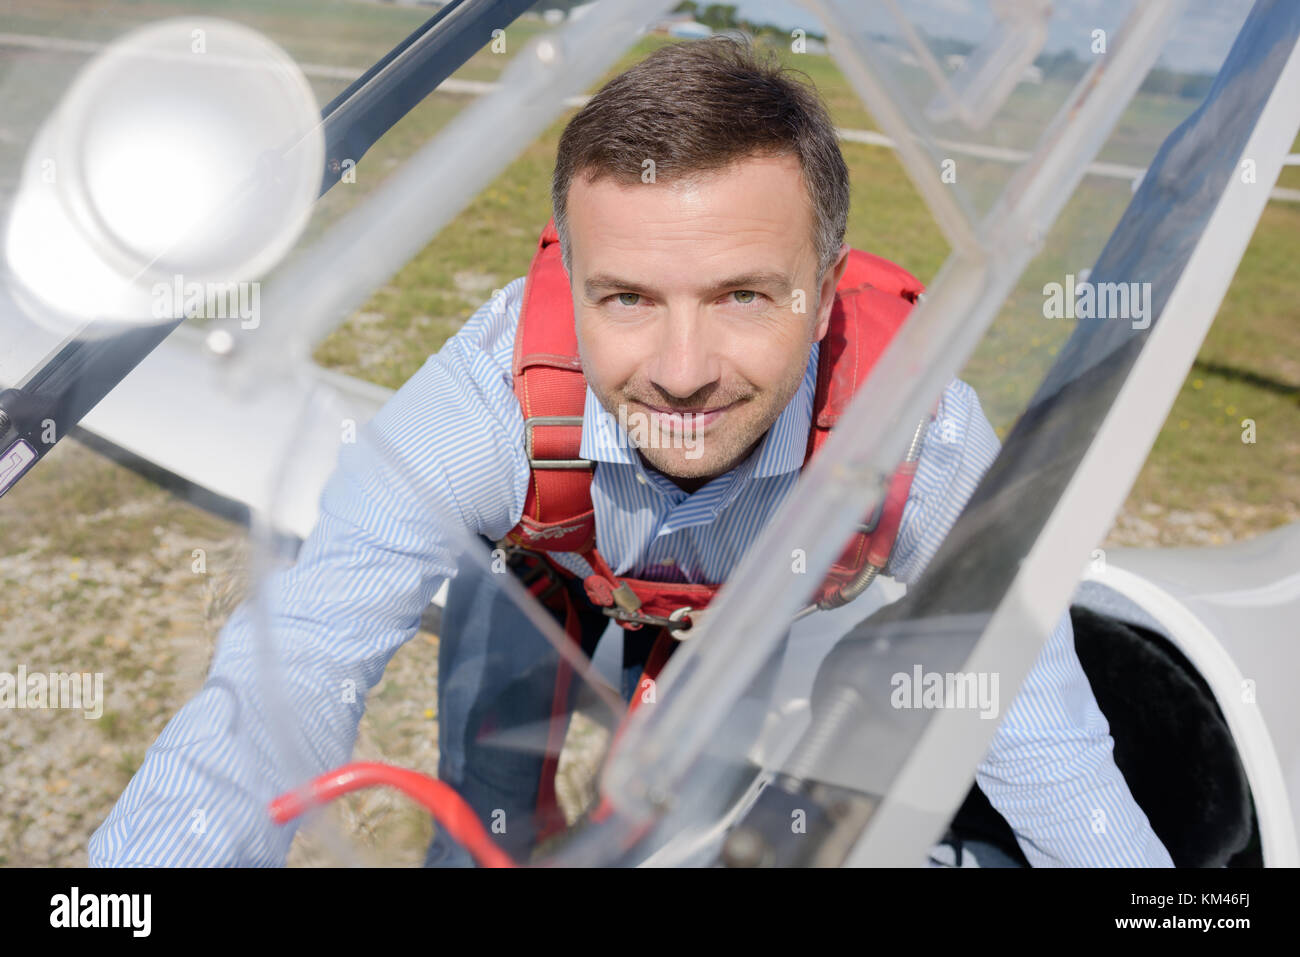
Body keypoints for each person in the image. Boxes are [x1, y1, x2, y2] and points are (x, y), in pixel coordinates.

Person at [89, 37, 1172, 868]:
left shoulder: (920, 435)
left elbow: (1039, 732)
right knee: (488, 810)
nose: (685, 369)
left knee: (696, 818)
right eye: (627, 299)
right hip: (548, 574)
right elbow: (286, 674)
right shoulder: (487, 407)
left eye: (745, 294)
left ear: (827, 290)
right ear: (573, 289)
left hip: (755, 611)